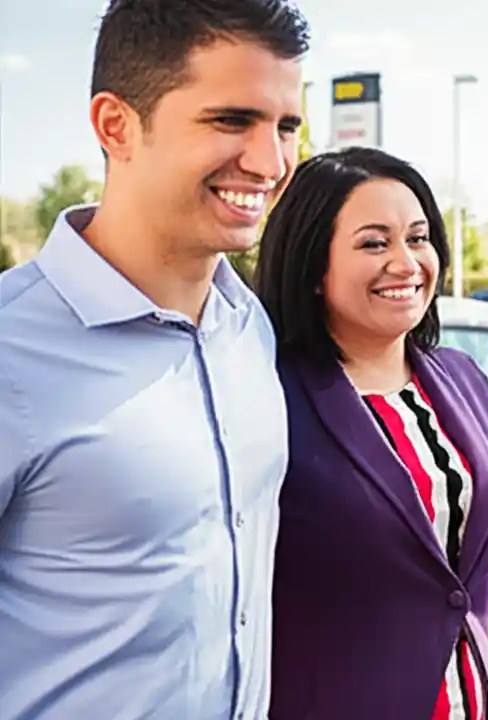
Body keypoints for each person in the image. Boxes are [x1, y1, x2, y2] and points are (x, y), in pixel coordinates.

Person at [0, 1, 307, 717]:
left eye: (285, 126)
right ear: (116, 125)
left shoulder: (248, 326)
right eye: (231, 120)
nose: (270, 162)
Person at [255, 147, 488, 720]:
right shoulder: (268, 398)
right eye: (374, 243)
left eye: (418, 238)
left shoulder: (464, 380)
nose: (406, 262)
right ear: (313, 267)